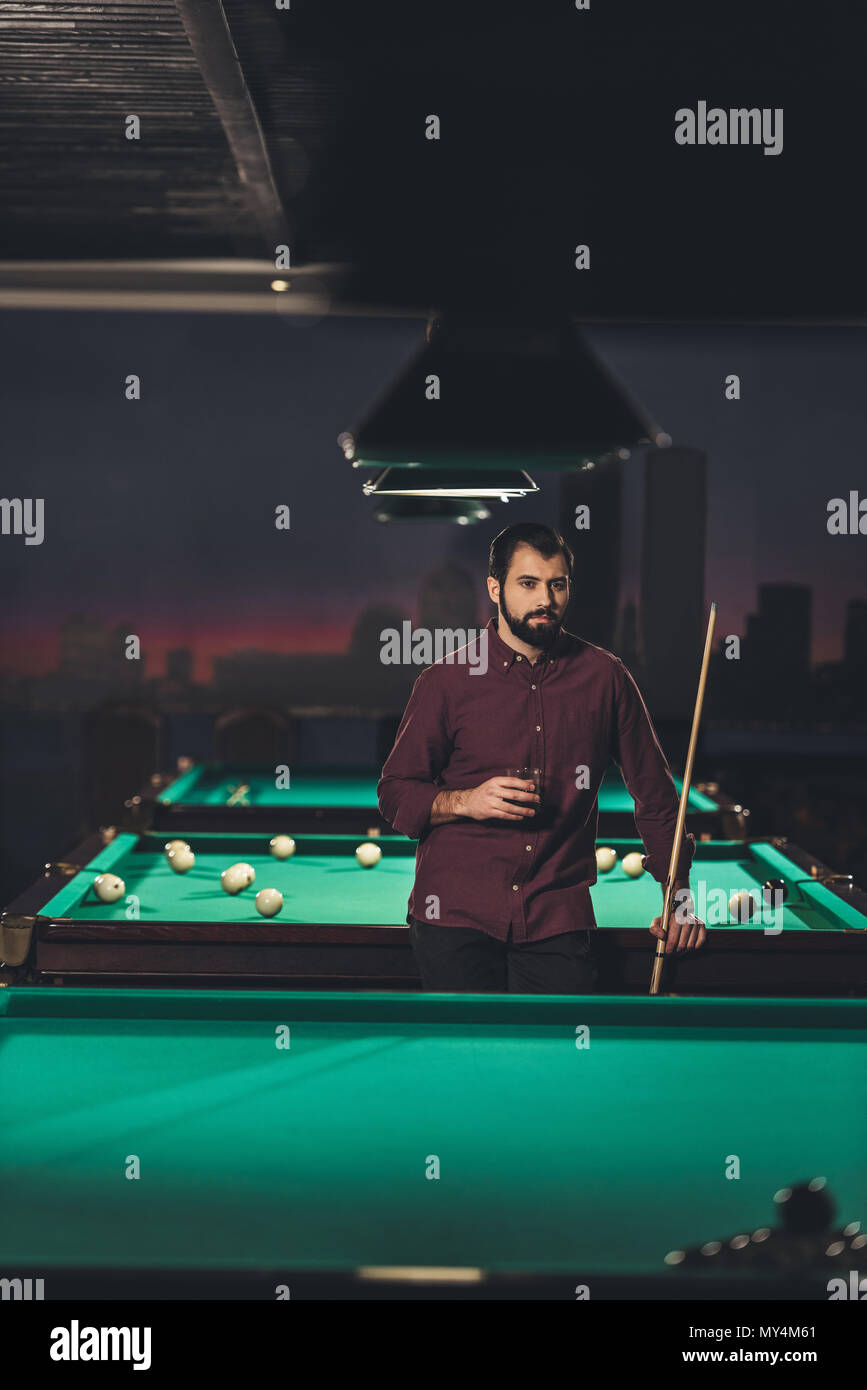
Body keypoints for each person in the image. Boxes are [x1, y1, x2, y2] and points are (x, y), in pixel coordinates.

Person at [377, 522, 707, 993]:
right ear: (495, 588)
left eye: (557, 584)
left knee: (559, 1061)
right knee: (465, 1061)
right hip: (453, 913)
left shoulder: (606, 677)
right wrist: (465, 801)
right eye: (528, 583)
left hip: (557, 914)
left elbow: (656, 797)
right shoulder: (444, 681)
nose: (545, 600)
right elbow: (394, 793)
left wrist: (678, 897)